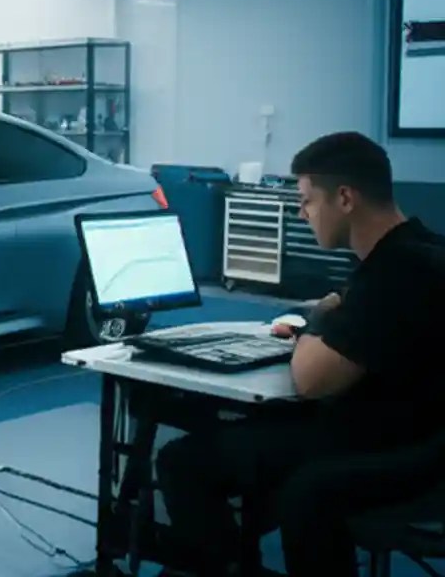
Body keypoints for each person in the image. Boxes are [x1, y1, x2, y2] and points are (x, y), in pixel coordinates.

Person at [153, 131, 445, 576]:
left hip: (399, 451)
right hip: (419, 434)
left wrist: (313, 321)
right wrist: (334, 312)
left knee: (184, 463)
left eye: (307, 200)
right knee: (258, 441)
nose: (301, 213)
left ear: (344, 198)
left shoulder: (394, 274)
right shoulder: (424, 249)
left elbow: (312, 378)